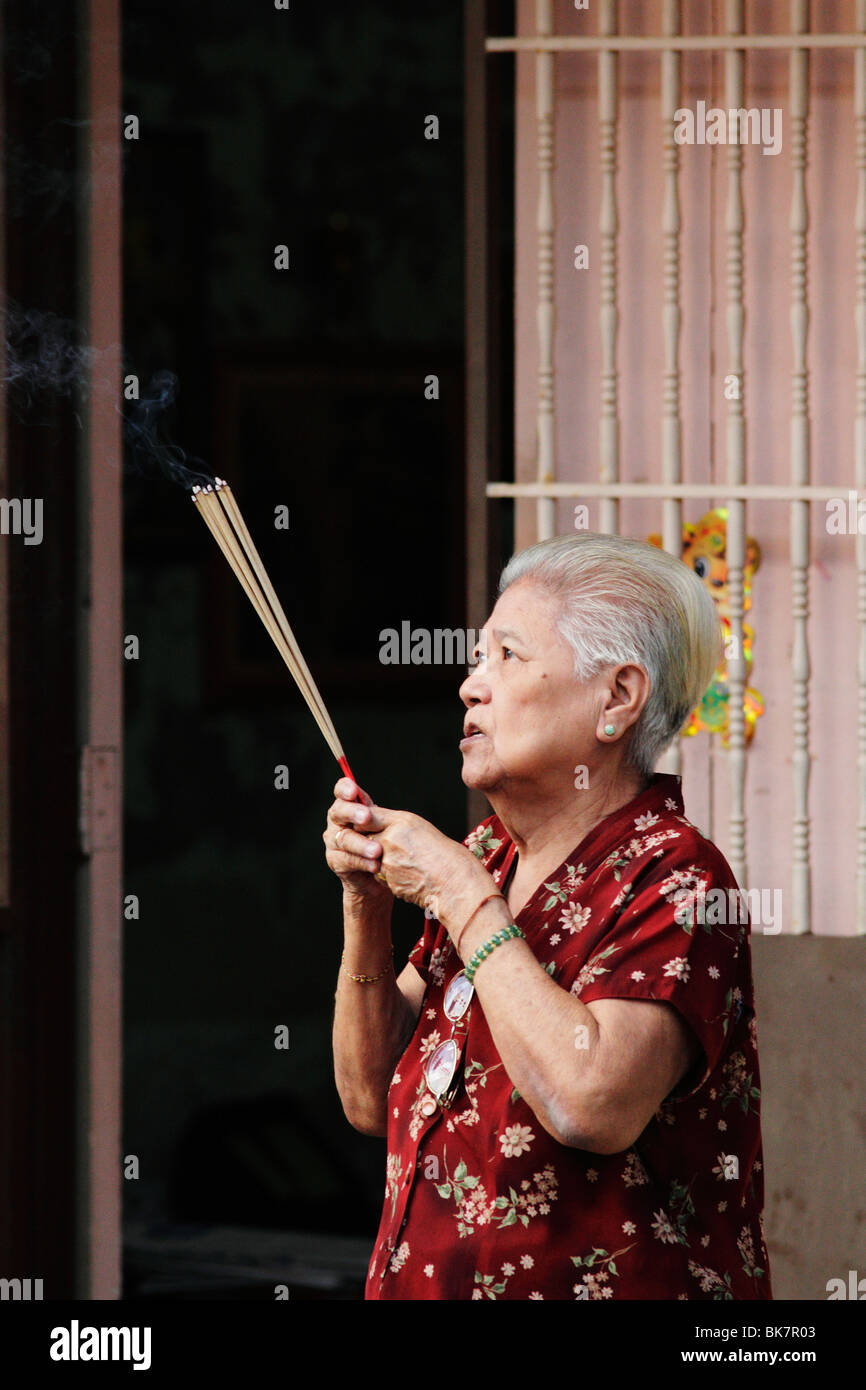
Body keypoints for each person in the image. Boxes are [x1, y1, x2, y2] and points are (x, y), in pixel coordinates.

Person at [326, 532, 773, 1300]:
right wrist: (367, 905)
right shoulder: (489, 854)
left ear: (617, 700)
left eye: (506, 656)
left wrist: (459, 894)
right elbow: (369, 1096)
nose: (471, 686)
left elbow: (590, 1102)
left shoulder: (677, 876)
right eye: (476, 659)